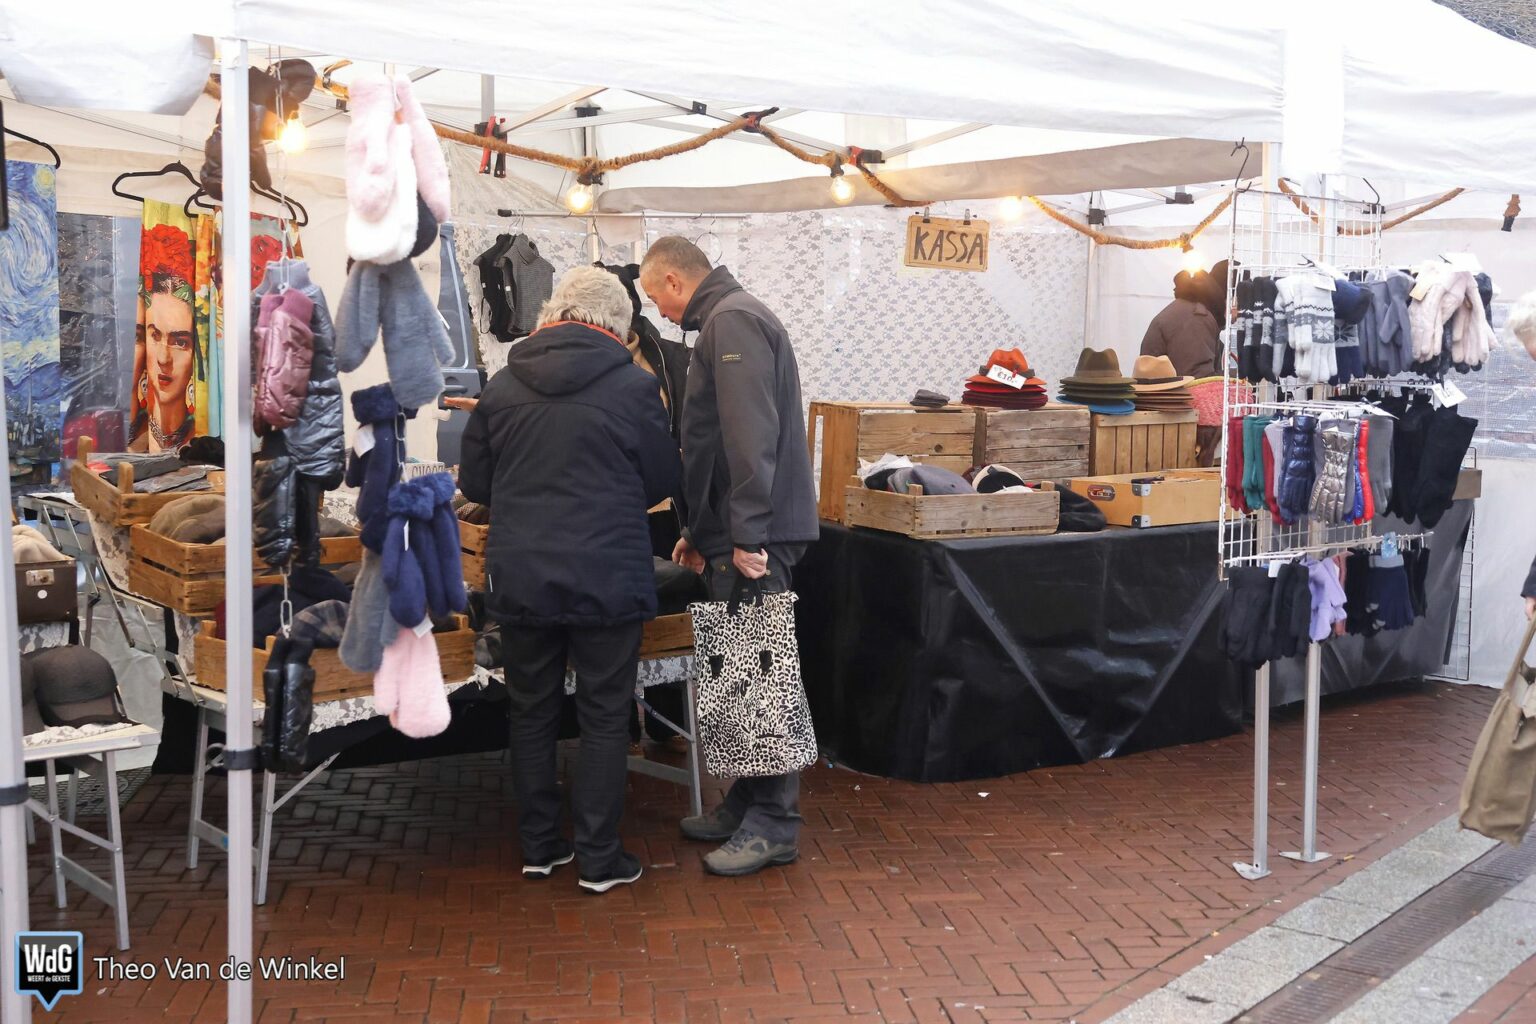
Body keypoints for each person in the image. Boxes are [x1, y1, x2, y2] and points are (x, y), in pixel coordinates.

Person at [459, 267, 680, 894]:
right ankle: (600, 859)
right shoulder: (634, 388)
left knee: (530, 713)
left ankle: (539, 847)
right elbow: (664, 479)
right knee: (605, 716)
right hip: (607, 574)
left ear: (555, 312)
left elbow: (475, 486)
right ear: (617, 325)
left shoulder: (504, 385)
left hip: (522, 573)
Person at [639, 235, 819, 877]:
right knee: (742, 675)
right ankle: (749, 800)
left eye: (653, 295)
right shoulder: (726, 319)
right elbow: (719, 445)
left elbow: (751, 438)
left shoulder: (732, 320)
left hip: (758, 536)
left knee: (761, 675)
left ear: (671, 280)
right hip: (738, 532)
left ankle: (775, 825)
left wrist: (746, 537)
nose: (656, 312)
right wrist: (703, 531)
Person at [130, 274, 199, 452]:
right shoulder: (134, 433)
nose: (163, 358)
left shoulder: (201, 437)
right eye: (155, 336)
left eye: (180, 342)